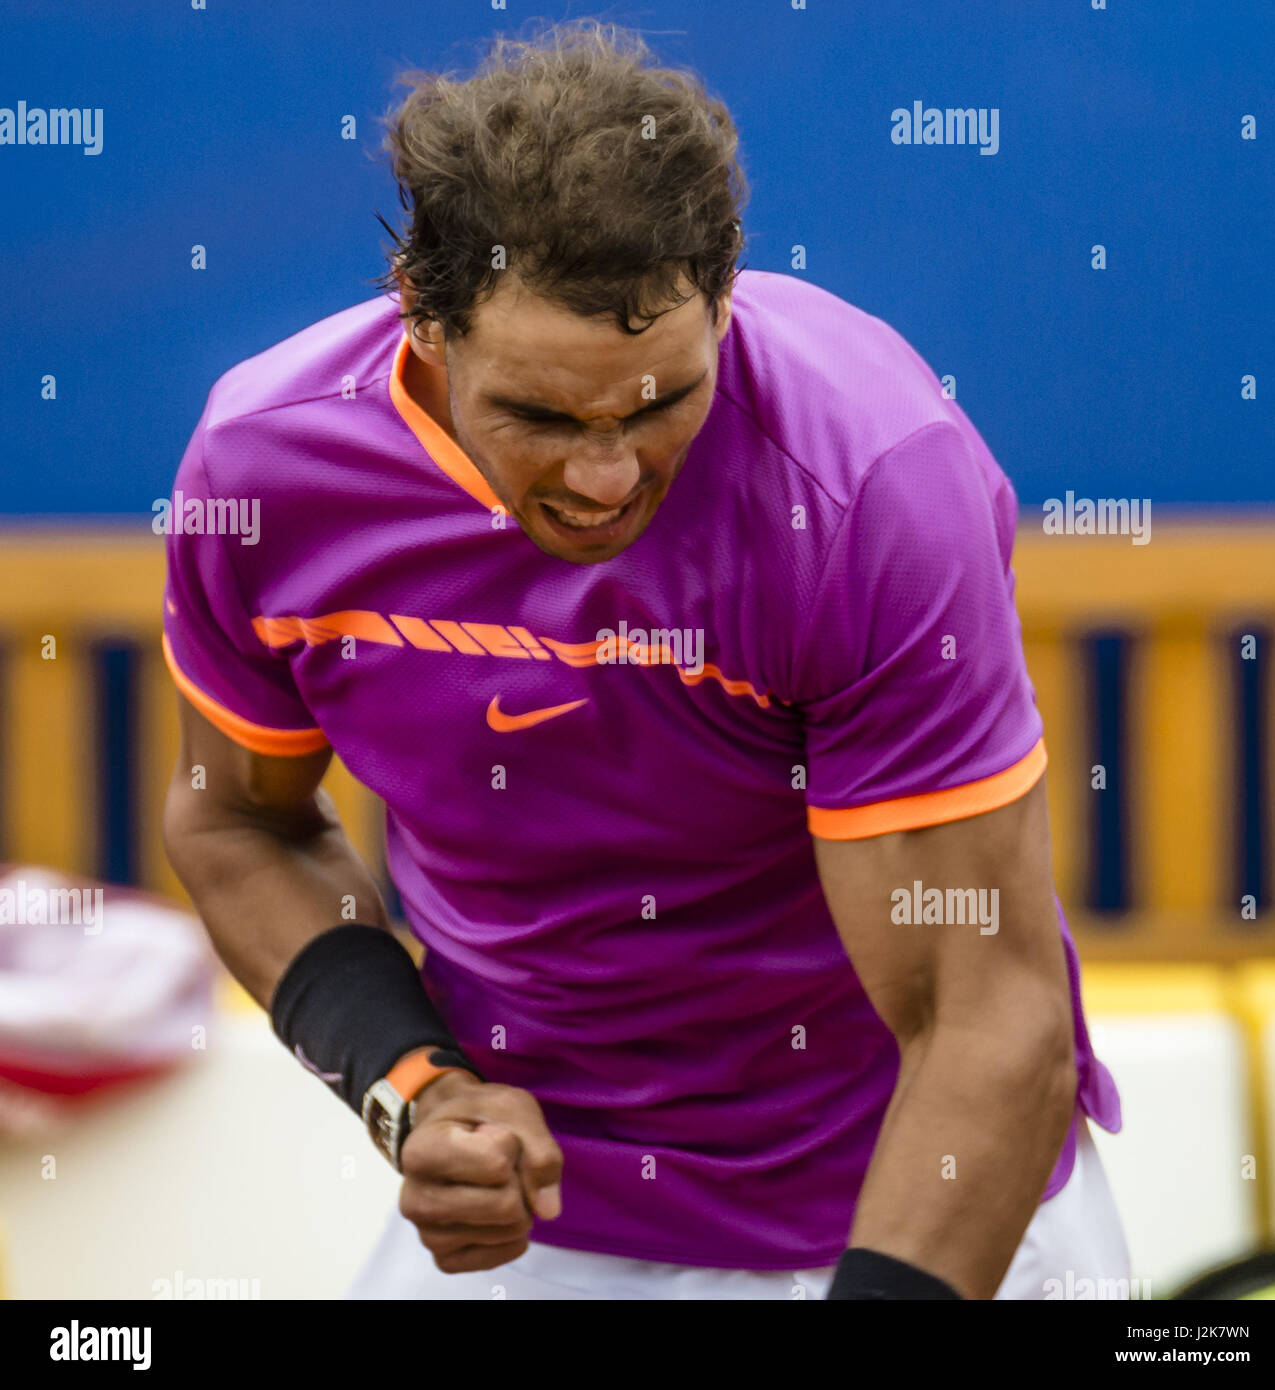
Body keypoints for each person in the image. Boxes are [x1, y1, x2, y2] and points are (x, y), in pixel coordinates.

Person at [161, 19, 1127, 1301]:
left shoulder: (869, 481)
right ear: (426, 327)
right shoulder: (263, 470)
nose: (606, 475)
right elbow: (238, 826)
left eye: (663, 400)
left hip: (916, 1218)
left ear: (728, 299)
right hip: (542, 1226)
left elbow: (988, 1020)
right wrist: (413, 1087)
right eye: (541, 416)